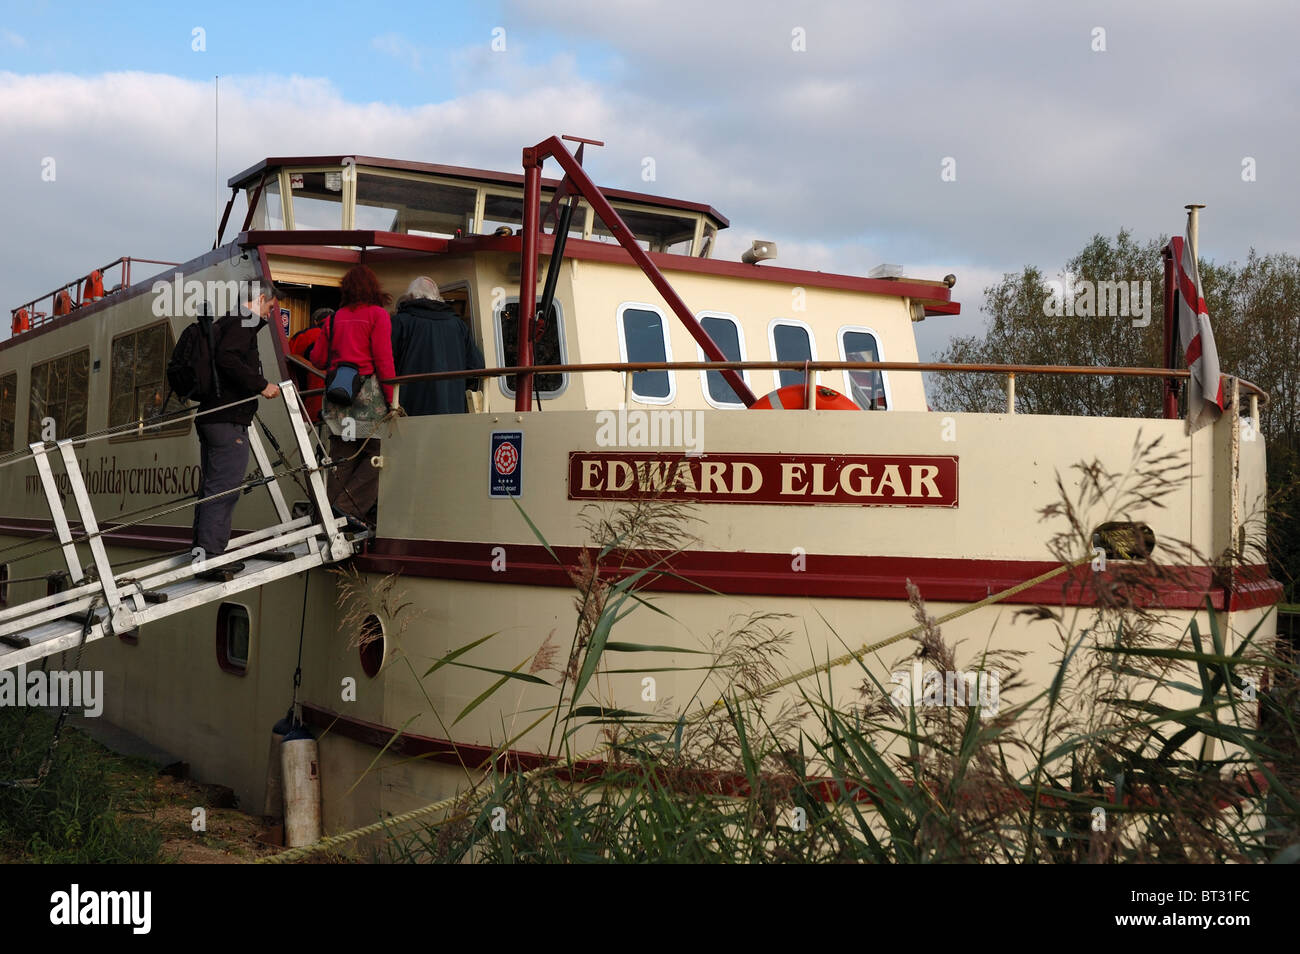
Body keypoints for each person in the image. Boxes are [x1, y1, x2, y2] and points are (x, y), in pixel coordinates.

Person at [192, 282, 283, 581]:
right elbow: (228, 358)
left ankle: (203, 554)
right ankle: (211, 558)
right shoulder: (244, 322)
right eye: (270, 308)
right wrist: (262, 385)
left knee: (212, 488)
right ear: (259, 300)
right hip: (227, 421)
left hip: (211, 417)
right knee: (224, 490)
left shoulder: (224, 322)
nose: (269, 316)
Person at [307, 265, 395, 525]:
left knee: (341, 457)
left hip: (338, 397)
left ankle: (328, 516)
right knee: (378, 455)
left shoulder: (333, 319)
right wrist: (392, 399)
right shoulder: (378, 315)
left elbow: (318, 358)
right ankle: (347, 508)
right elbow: (384, 361)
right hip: (368, 398)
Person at [390, 277, 484, 416]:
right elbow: (476, 365)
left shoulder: (400, 322)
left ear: (410, 296)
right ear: (437, 296)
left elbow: (387, 363)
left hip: (410, 411)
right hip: (453, 409)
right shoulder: (457, 325)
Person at [289, 308, 331, 421]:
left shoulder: (306, 335)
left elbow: (288, 357)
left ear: (315, 321)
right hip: (338, 398)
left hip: (310, 400)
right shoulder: (346, 333)